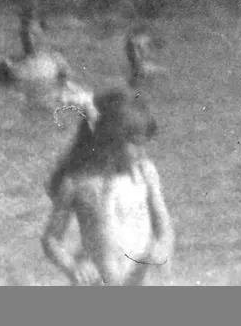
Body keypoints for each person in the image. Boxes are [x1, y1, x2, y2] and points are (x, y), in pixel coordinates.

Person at [41, 88, 174, 285]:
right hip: (97, 282)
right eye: (136, 144)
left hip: (141, 276)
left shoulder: (145, 173)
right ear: (110, 140)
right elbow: (51, 240)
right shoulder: (77, 182)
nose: (142, 151)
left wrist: (162, 248)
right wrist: (73, 267)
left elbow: (164, 227)